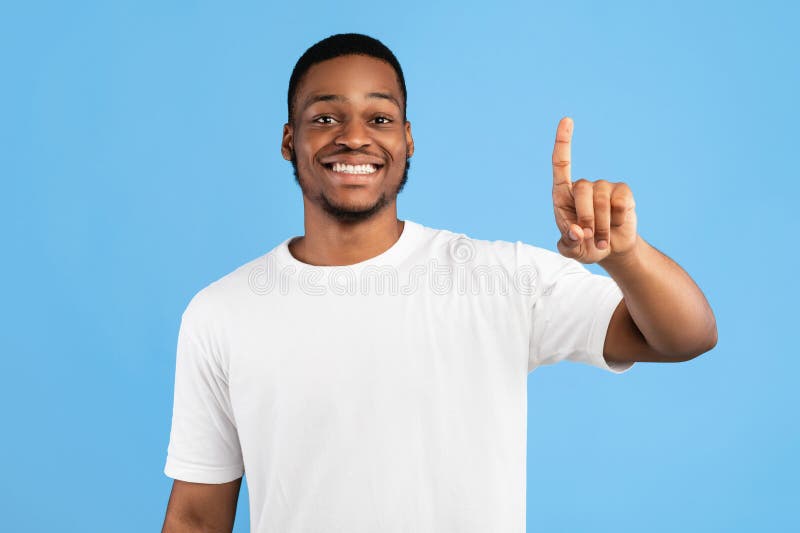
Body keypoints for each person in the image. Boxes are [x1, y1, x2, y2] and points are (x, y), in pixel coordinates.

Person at [161, 33, 717, 533]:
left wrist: (625, 256)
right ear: (289, 140)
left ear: (407, 139)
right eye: (326, 118)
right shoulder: (222, 312)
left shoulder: (499, 279)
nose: (353, 138)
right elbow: (197, 517)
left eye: (379, 119)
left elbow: (686, 336)